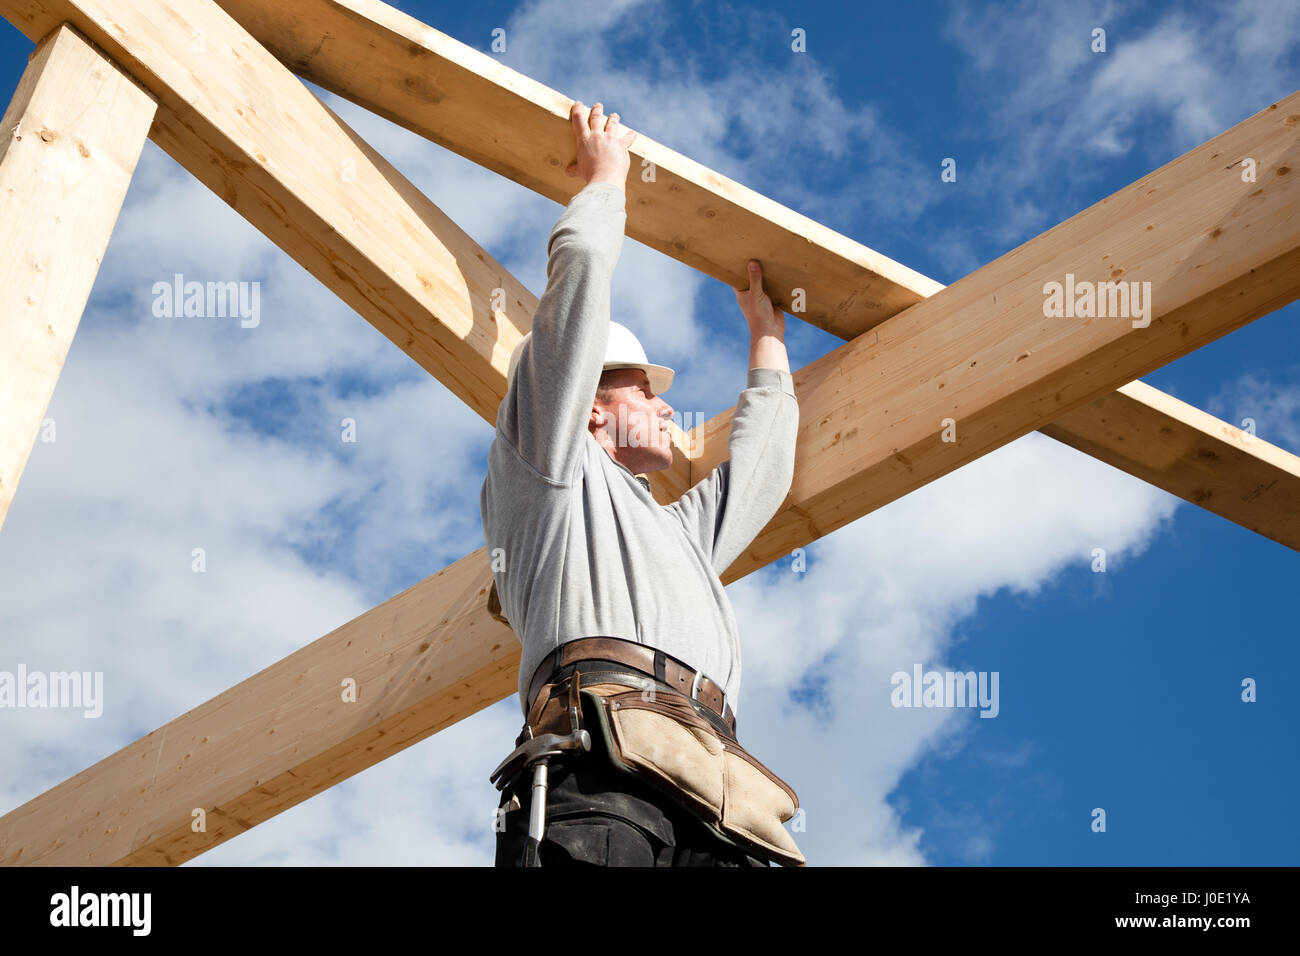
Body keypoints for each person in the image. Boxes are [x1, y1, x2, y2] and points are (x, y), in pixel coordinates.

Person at [480, 99, 802, 866]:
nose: (666, 409)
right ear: (588, 409)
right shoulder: (550, 471)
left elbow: (761, 472)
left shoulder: (674, 531)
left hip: (716, 787)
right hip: (602, 763)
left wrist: (768, 341)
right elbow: (575, 300)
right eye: (642, 392)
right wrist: (605, 180)